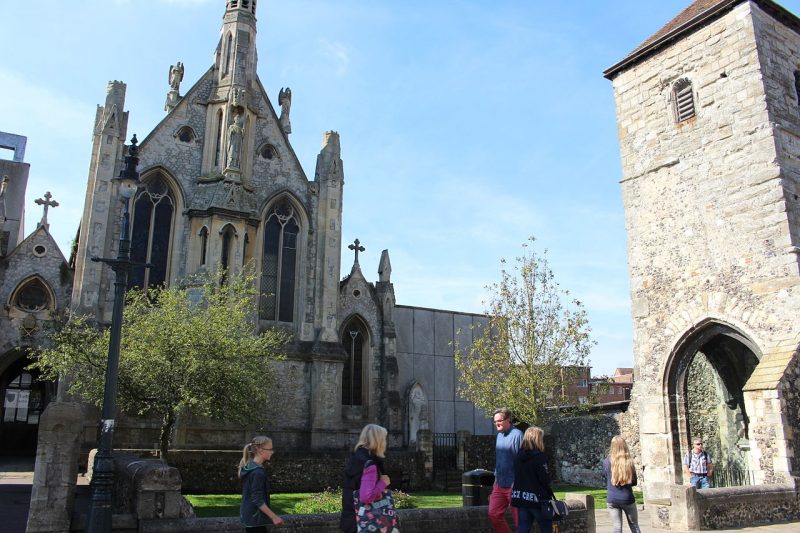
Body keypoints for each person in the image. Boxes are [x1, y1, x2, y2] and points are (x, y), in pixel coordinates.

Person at [340, 424, 394, 533]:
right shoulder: (369, 464)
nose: (385, 443)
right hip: (366, 524)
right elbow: (366, 496)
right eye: (384, 439)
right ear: (378, 441)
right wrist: (383, 483)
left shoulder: (356, 458)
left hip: (352, 520)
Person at [511, 427, 554, 533]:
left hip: (522, 498)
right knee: (546, 528)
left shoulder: (518, 457)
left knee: (523, 527)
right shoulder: (539, 457)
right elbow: (544, 479)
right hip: (538, 499)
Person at [239, 436, 284, 531]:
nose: (272, 452)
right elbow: (257, 498)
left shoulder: (250, 467)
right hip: (255, 519)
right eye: (270, 449)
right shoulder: (258, 472)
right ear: (260, 450)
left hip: (250, 517)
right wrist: (274, 517)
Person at [489, 407, 523, 533]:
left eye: (499, 420)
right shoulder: (499, 436)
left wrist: (518, 482)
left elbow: (521, 462)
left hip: (514, 485)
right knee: (493, 514)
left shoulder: (517, 435)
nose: (496, 423)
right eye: (494, 421)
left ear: (508, 420)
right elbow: (500, 460)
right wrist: (495, 479)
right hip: (499, 484)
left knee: (519, 520)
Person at [603, 436, 641, 533]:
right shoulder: (629, 462)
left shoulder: (607, 461)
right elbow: (634, 482)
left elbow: (605, 478)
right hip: (627, 498)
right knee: (634, 526)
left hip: (612, 498)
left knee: (617, 527)